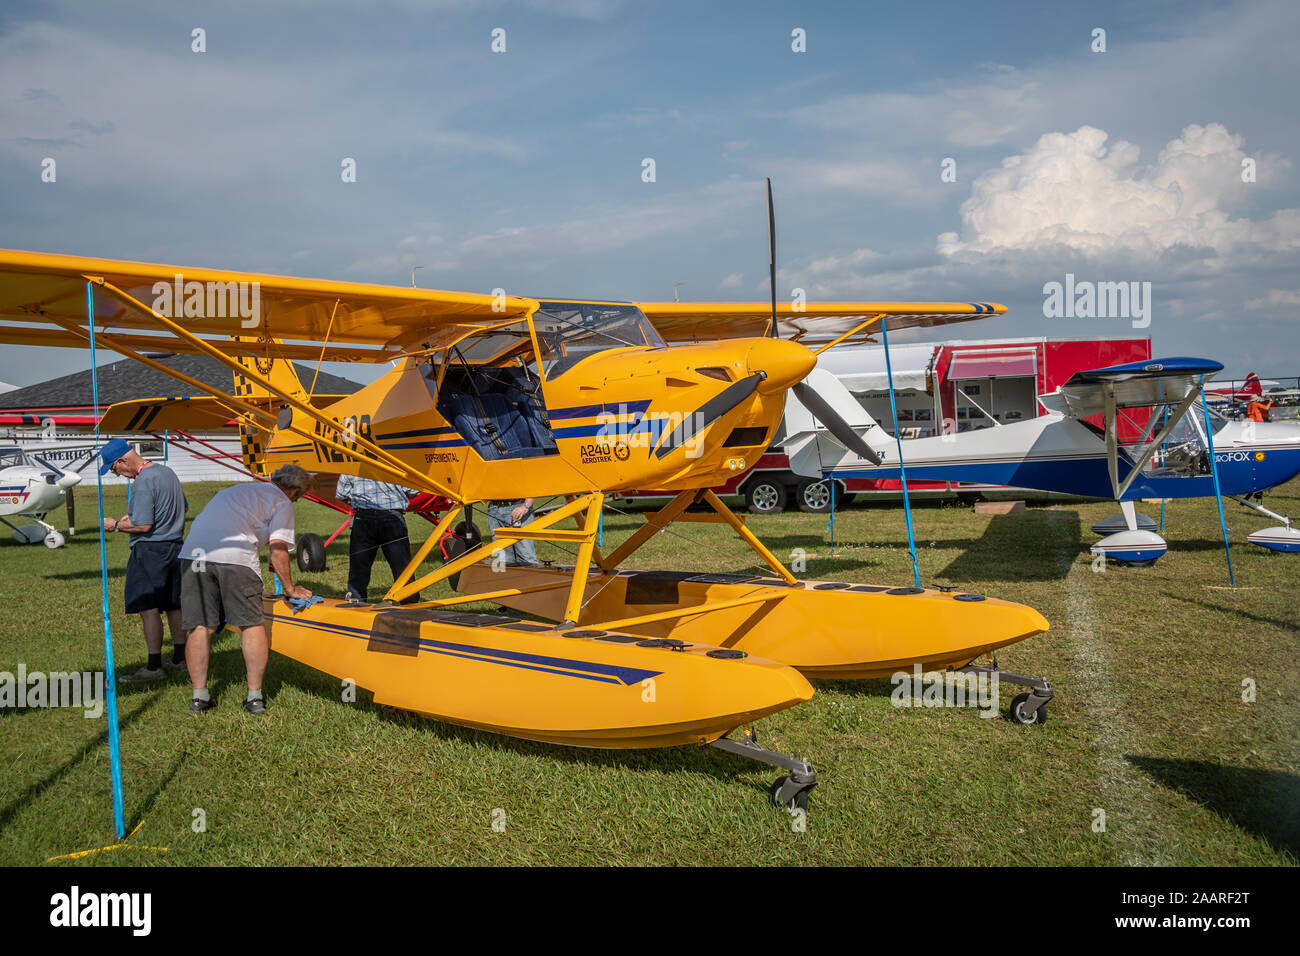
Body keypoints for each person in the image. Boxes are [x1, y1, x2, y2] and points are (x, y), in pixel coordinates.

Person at [179, 464, 314, 715]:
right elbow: (278, 548)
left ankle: (199, 697)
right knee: (251, 625)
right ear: (293, 490)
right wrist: (289, 588)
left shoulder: (236, 490)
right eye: (298, 497)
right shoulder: (282, 502)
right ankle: (254, 698)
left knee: (201, 625)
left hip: (192, 554)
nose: (295, 502)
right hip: (235, 556)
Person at [96, 438, 189, 683]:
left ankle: (153, 666)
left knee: (148, 608)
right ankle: (180, 659)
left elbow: (144, 524)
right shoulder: (167, 473)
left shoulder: (143, 481)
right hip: (176, 548)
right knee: (174, 606)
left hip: (150, 553)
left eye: (115, 470)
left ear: (123, 460)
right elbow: (183, 508)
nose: (119, 475)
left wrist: (115, 525)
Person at [334, 475, 422, 603]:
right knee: (402, 566)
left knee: (359, 565)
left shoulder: (354, 465)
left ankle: (356, 600)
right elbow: (413, 492)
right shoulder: (396, 465)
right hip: (392, 517)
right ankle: (409, 602)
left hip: (363, 517)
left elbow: (341, 494)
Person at [486, 497, 539, 566]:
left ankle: (532, 576)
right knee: (503, 559)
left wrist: (526, 506)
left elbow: (532, 486)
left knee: (527, 557)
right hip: (494, 509)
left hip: (518, 506)